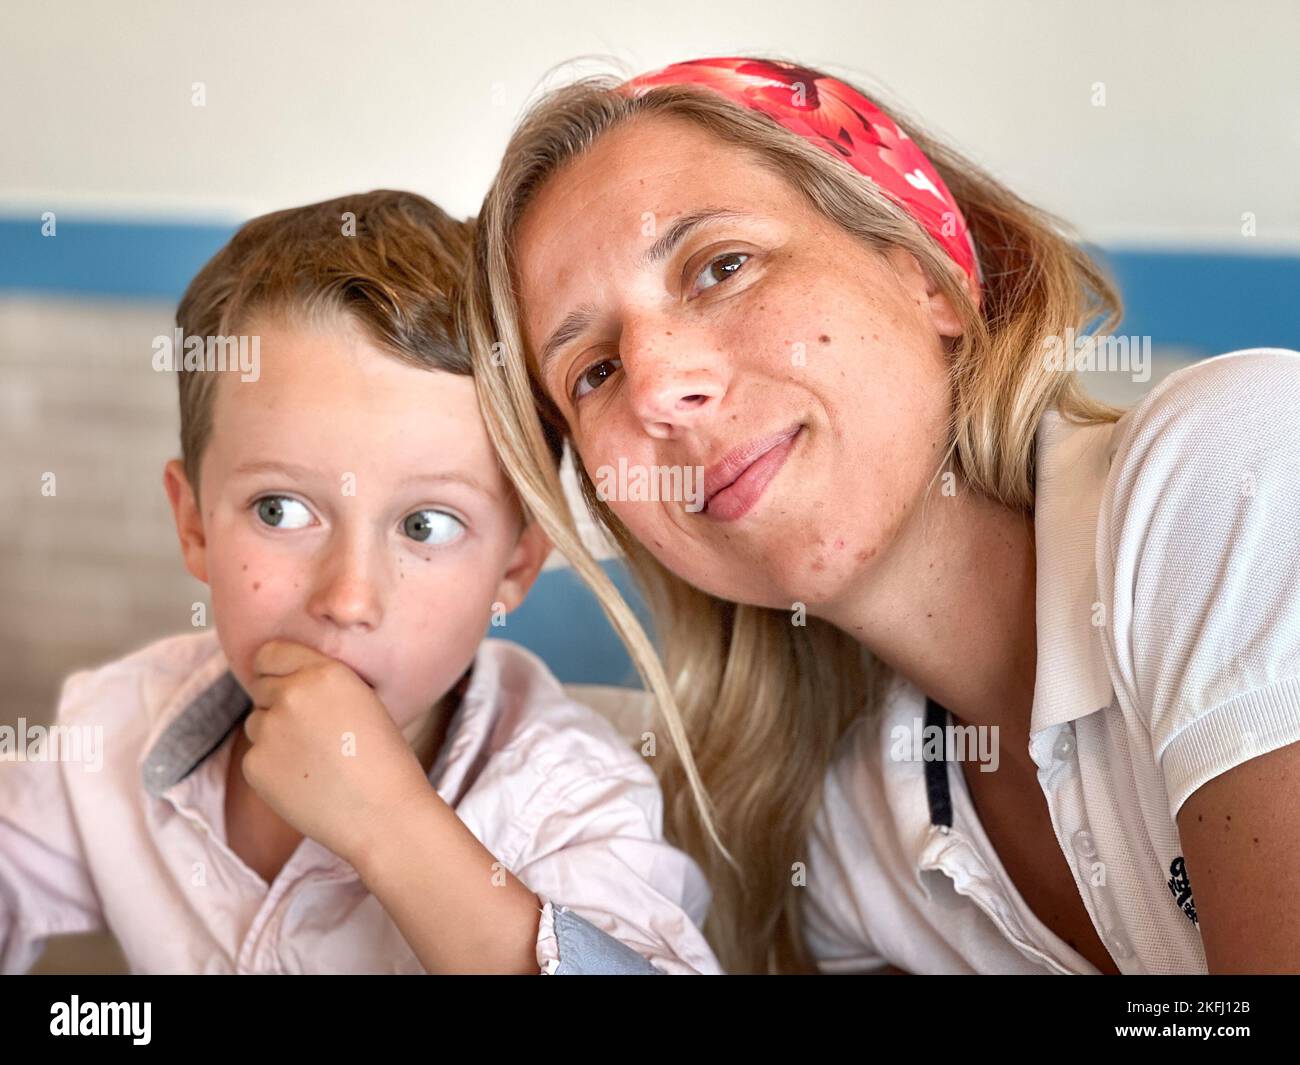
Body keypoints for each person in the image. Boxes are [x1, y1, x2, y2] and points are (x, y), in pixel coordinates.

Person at [463, 55, 1300, 974]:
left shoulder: (1236, 463)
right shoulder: (846, 851)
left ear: (926, 274)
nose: (659, 386)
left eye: (722, 267)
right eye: (595, 371)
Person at [0, 190, 719, 975]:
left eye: (427, 526)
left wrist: (392, 828)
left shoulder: (569, 798)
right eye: (281, 509)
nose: (347, 598)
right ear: (196, 525)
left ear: (515, 564)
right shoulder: (115, 728)